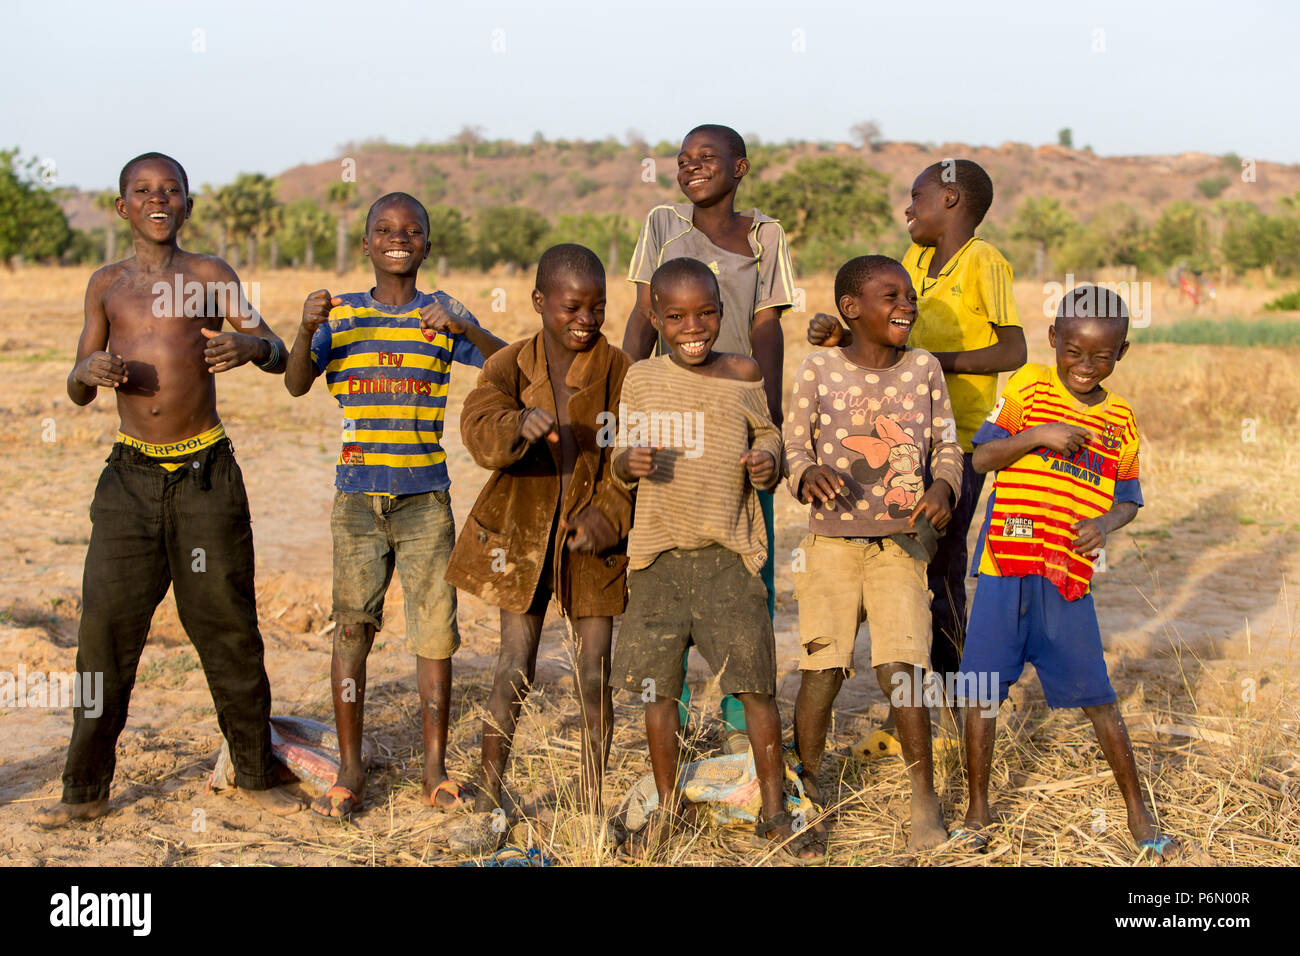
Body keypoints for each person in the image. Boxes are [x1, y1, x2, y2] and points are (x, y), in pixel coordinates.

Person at [37, 152, 299, 826]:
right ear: (121, 207)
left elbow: (272, 347)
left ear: (186, 205)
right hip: (128, 481)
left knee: (228, 628)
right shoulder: (107, 285)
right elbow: (74, 385)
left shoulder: (208, 276)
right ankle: (84, 792)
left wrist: (249, 350)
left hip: (206, 478)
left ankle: (253, 769)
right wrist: (87, 371)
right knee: (104, 634)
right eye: (143, 191)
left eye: (172, 190)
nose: (159, 199)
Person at [284, 191, 506, 819]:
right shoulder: (342, 313)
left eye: (411, 230)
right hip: (356, 498)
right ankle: (351, 766)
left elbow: (509, 365)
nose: (398, 237)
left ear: (426, 244)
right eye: (385, 228)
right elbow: (297, 381)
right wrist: (304, 328)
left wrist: (465, 326)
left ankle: (434, 768)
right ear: (367, 244)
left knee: (434, 635)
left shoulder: (442, 313)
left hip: (425, 500)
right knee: (352, 631)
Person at [954, 285, 1181, 862]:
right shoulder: (1028, 386)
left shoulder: (1121, 421)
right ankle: (977, 811)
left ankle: (1136, 811)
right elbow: (982, 458)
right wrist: (1037, 436)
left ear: (1121, 353)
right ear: (1054, 339)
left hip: (1066, 574)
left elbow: (1129, 499)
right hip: (1006, 563)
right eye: (1074, 350)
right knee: (981, 691)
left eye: (1100, 356)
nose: (1084, 365)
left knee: (1097, 695)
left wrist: (1105, 523)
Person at [610, 258, 820, 861]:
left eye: (705, 313)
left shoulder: (744, 371)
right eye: (675, 316)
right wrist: (629, 464)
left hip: (729, 556)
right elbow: (620, 456)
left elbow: (769, 436)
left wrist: (767, 461)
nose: (692, 327)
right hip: (658, 560)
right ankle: (669, 804)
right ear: (654, 318)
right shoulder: (641, 379)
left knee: (755, 686)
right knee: (659, 690)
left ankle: (775, 810)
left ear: (722, 313)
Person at [808, 159, 1026, 698]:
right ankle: (908, 690)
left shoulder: (984, 262)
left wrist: (933, 362)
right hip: (905, 436)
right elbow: (892, 337)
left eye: (917, 196)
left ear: (950, 200)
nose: (908, 209)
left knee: (941, 566)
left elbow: (1014, 349)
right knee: (899, 564)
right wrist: (846, 337)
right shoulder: (915, 261)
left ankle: (955, 695)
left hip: (962, 439)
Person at [444, 244, 633, 844]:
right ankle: (490, 791)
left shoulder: (620, 369)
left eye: (598, 306)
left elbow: (633, 458)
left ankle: (593, 799)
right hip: (521, 538)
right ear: (538, 303)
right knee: (512, 667)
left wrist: (609, 514)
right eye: (572, 306)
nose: (587, 319)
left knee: (594, 673)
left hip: (592, 543)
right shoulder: (507, 365)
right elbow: (478, 430)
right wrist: (513, 427)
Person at [623, 124, 796, 751]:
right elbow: (643, 317)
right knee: (667, 554)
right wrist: (625, 399)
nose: (693, 166)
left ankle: (739, 721)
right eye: (684, 158)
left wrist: (766, 418)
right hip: (669, 405)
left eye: (709, 158)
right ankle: (670, 704)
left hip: (734, 416)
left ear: (740, 167)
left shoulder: (765, 235)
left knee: (749, 567)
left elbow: (768, 326)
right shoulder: (663, 223)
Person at [786, 255, 963, 851]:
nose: (906, 304)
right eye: (890, 296)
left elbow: (947, 445)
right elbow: (793, 444)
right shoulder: (818, 370)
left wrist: (943, 486)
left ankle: (924, 801)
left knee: (902, 668)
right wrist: (805, 471)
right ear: (850, 309)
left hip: (900, 542)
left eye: (909, 295)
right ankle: (806, 791)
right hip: (832, 541)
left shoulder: (923, 369)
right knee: (824, 670)